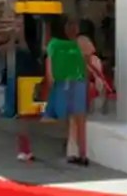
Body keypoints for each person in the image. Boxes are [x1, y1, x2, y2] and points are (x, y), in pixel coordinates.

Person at [44, 20, 89, 166]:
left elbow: (49, 70)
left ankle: (73, 151)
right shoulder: (81, 43)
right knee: (78, 119)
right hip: (77, 81)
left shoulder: (54, 45)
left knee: (69, 119)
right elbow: (86, 63)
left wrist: (50, 86)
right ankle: (81, 153)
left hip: (65, 83)